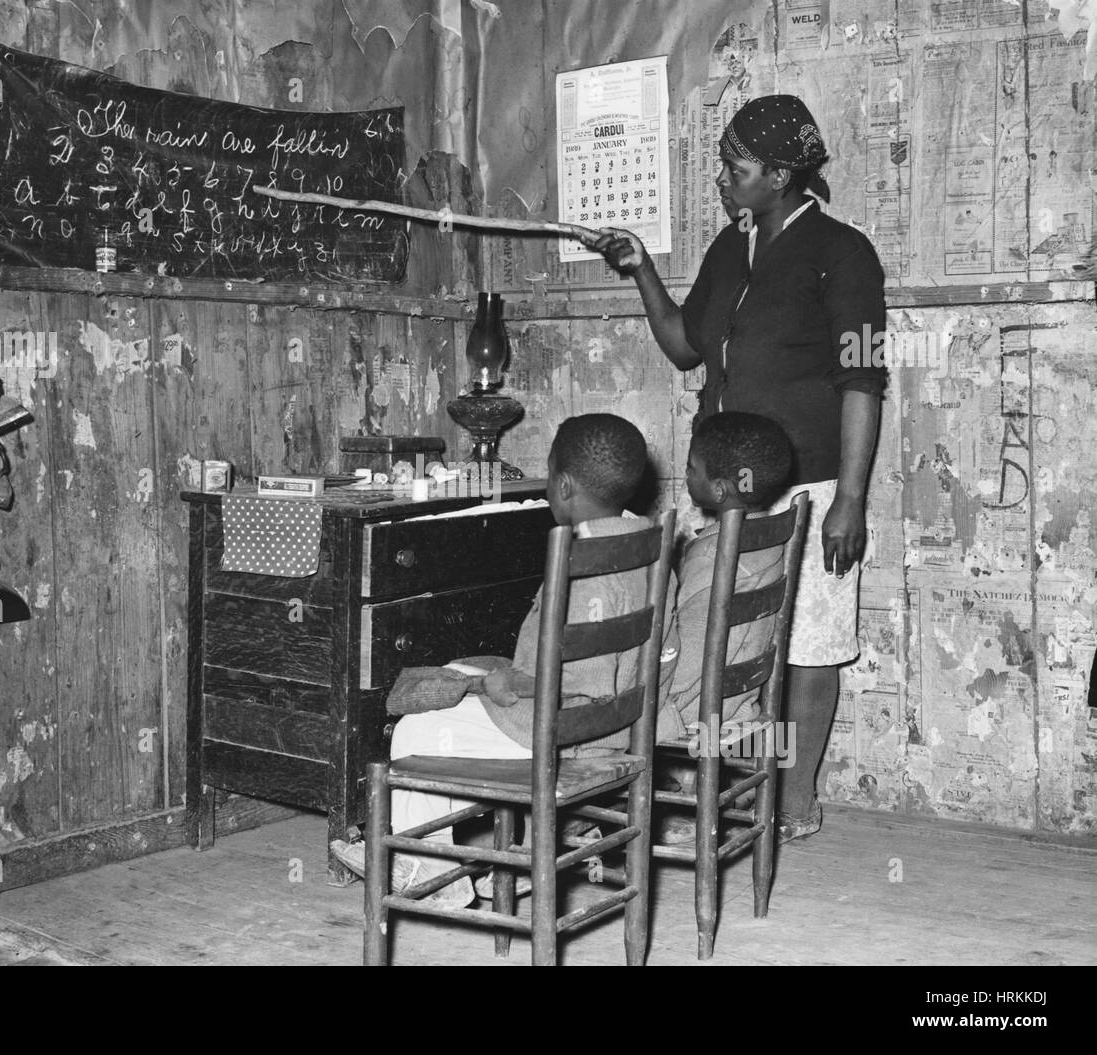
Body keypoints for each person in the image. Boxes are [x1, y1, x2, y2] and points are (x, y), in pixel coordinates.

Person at [591, 94, 887, 841]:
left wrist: (849, 498)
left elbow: (863, 381)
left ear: (782, 174)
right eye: (724, 164)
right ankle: (715, 785)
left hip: (809, 488)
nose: (723, 179)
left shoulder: (843, 254)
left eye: (738, 167)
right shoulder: (730, 249)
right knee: (713, 639)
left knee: (809, 644)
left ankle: (794, 798)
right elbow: (687, 346)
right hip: (720, 489)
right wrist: (641, 270)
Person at [331, 413, 652, 907]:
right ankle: (503, 851)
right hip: (619, 725)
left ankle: (429, 871)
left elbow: (568, 682)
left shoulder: (578, 559)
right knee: (464, 673)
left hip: (562, 732)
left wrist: (504, 682)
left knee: (419, 729)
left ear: (562, 485)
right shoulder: (647, 544)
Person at [656, 411, 793, 744]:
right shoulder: (771, 539)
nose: (686, 475)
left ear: (718, 490)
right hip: (739, 703)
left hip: (689, 711)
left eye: (691, 469)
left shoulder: (711, 555)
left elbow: (685, 658)